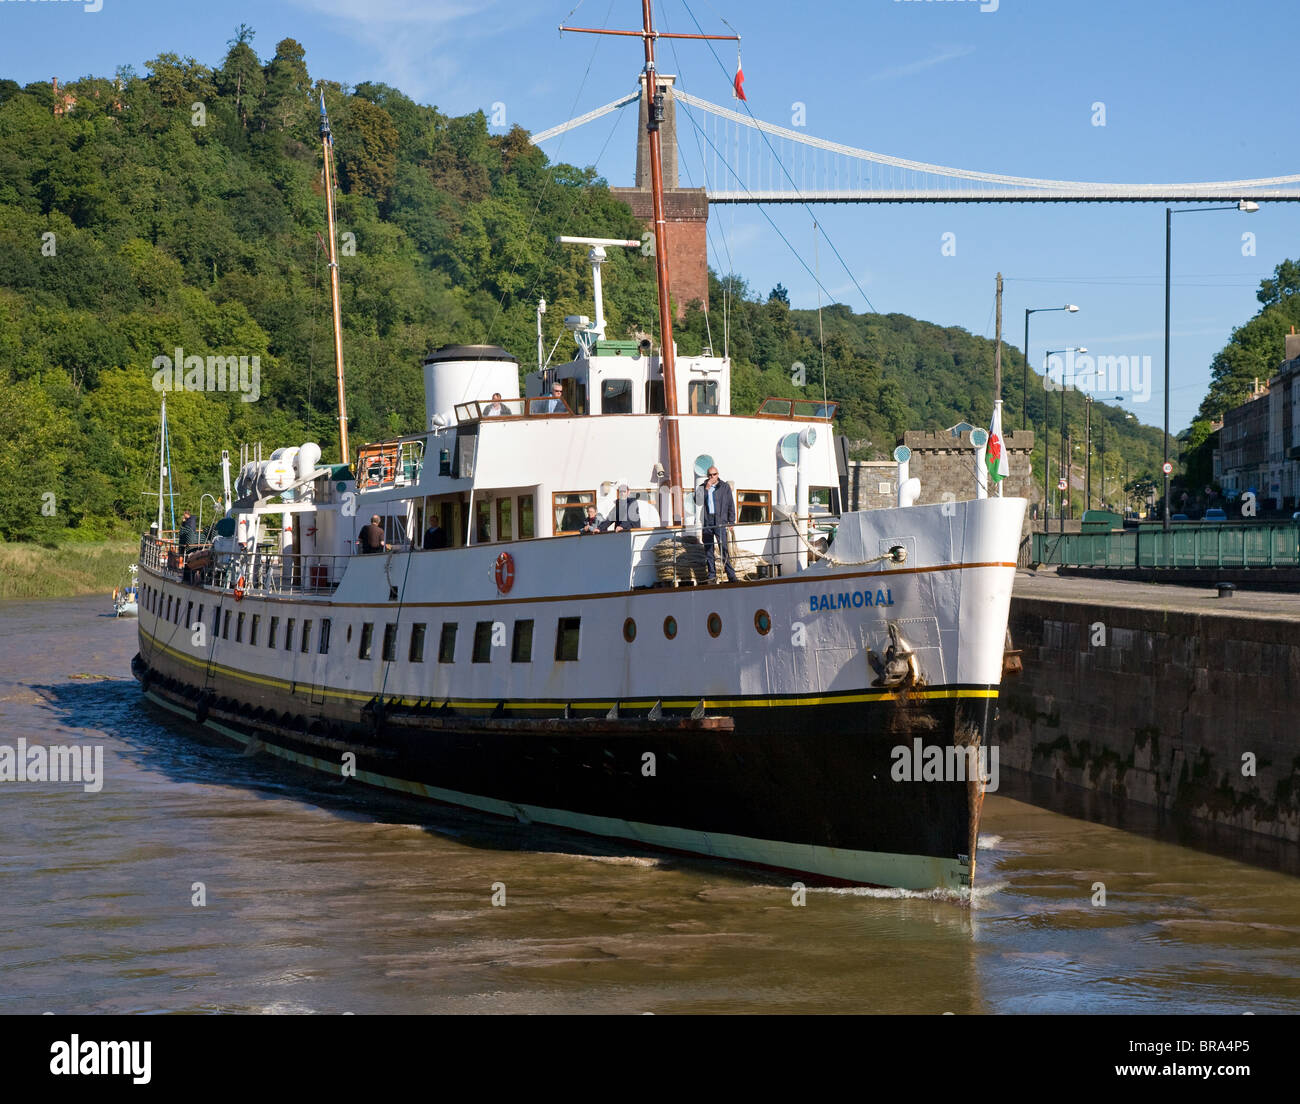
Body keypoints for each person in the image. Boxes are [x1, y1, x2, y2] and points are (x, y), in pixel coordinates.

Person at [696, 466, 738, 584]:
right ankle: (712, 576)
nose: (711, 477)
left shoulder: (724, 487)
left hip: (720, 521)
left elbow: (731, 504)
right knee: (709, 550)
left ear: (717, 474)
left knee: (724, 549)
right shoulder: (703, 487)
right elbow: (697, 501)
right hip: (707, 521)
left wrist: (731, 521)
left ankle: (731, 576)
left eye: (714, 474)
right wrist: (706, 489)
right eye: (709, 475)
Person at [178, 511, 196, 581]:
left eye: (184, 515)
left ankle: (183, 564)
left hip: (188, 541)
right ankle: (183, 563)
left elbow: (185, 529)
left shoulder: (189, 522)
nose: (183, 516)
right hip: (190, 541)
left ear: (186, 515)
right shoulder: (191, 520)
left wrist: (183, 522)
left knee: (184, 551)